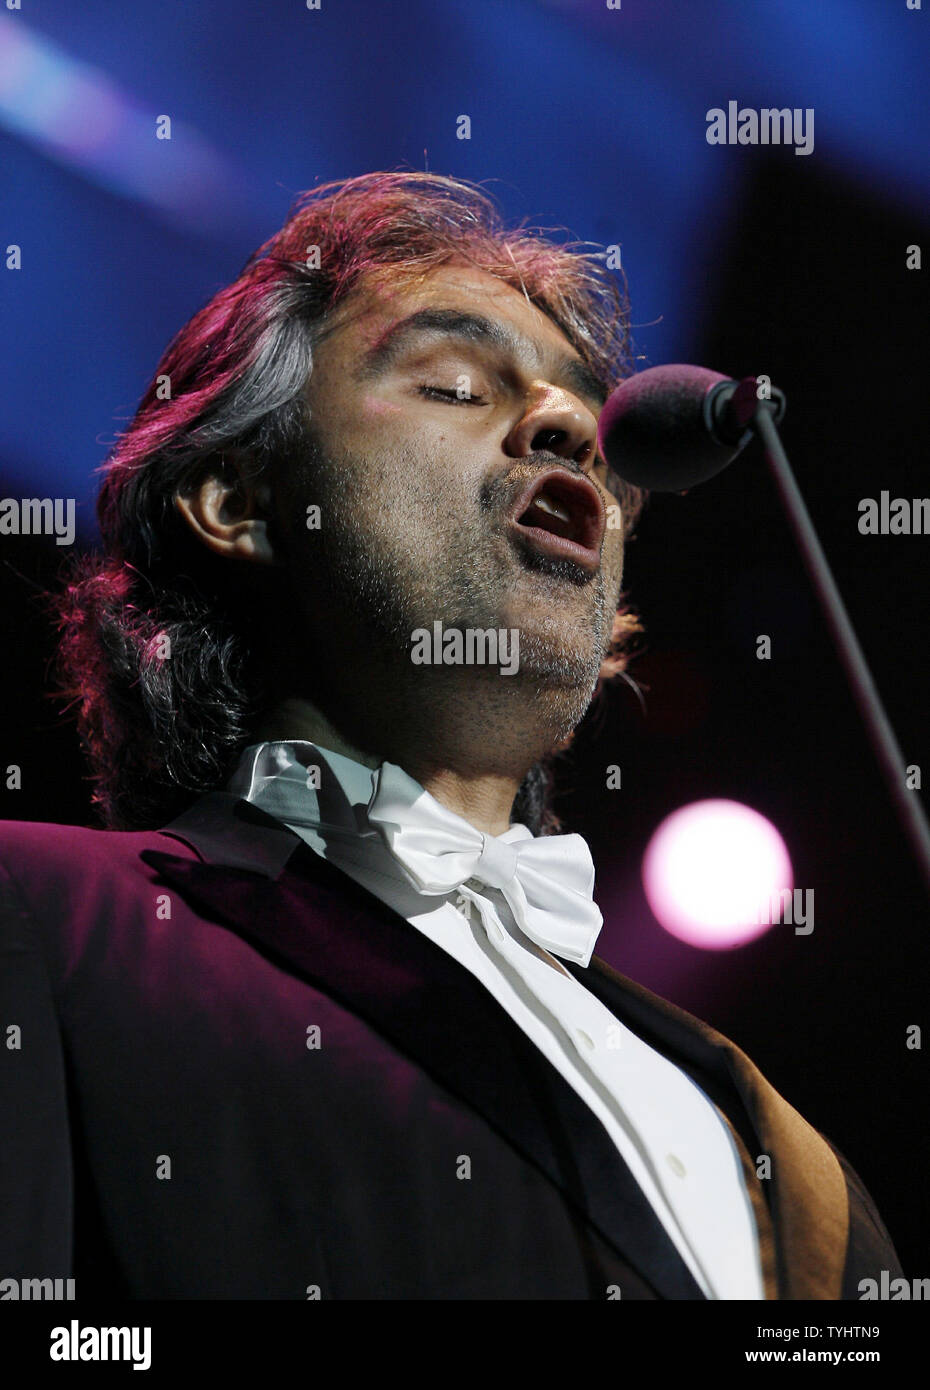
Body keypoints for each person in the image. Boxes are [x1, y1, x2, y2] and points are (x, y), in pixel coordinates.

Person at [0, 172, 901, 1299]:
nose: (574, 426)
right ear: (237, 501)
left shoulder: (796, 1167)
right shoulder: (41, 921)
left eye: (588, 412)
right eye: (456, 384)